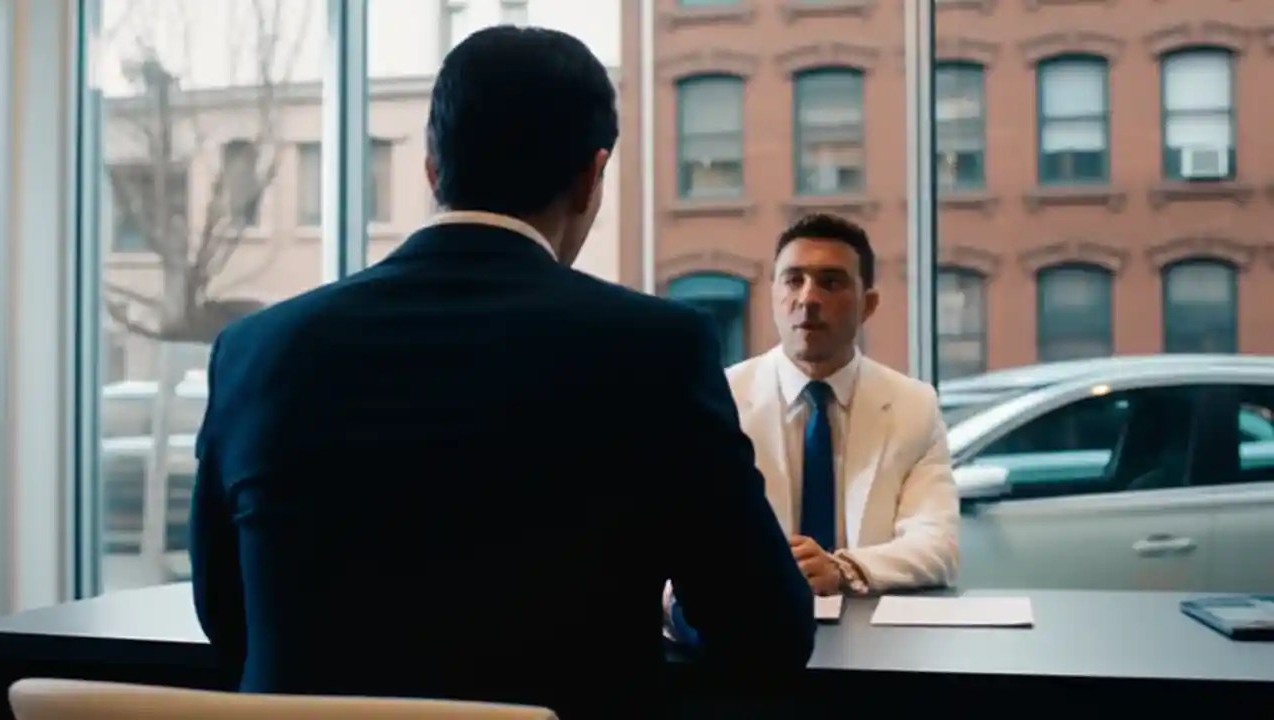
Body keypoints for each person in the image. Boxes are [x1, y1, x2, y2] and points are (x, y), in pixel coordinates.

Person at [189, 25, 814, 719]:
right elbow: (766, 631)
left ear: (431, 168)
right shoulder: (658, 350)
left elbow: (226, 618)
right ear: (592, 177)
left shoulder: (253, 350)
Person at [665, 214, 957, 641]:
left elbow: (937, 546)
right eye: (793, 280)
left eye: (831, 282)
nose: (808, 298)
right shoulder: (718, 399)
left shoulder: (914, 405)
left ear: (868, 305)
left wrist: (841, 569)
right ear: (773, 296)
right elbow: (676, 545)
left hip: (877, 645)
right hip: (750, 642)